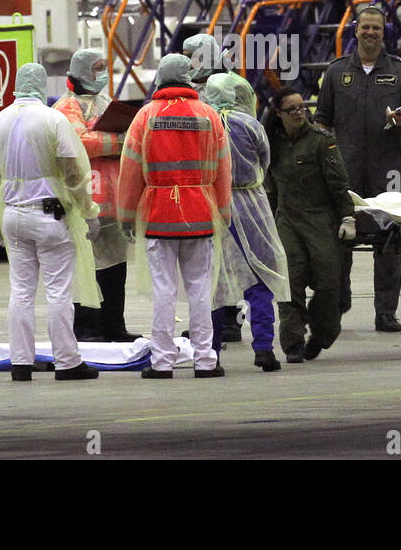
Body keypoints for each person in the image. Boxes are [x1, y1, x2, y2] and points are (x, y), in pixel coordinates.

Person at [0, 63, 103, 382]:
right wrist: (88, 211)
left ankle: (21, 363)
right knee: (58, 291)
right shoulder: (53, 120)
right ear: (41, 84)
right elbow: (73, 172)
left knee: (20, 290)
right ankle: (67, 362)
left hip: (12, 215)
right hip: (49, 215)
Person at [116, 54, 235, 379]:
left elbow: (129, 171)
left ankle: (162, 362)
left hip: (158, 215)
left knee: (164, 290)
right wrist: (222, 213)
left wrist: (126, 216)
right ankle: (206, 361)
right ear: (188, 78)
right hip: (201, 213)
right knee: (200, 289)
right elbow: (224, 171)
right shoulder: (209, 115)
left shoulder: (145, 117)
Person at [315, 5, 401, 333]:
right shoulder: (336, 73)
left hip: (387, 170)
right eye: (365, 27)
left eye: (376, 28)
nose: (370, 33)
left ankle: (386, 311)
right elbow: (321, 119)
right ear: (356, 30)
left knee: (389, 239)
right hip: (345, 171)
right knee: (341, 236)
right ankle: (339, 302)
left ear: (384, 31)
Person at [202, 72, 291, 372]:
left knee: (213, 281)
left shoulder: (204, 123)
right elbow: (265, 161)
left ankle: (211, 352)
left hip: (214, 204)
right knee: (260, 276)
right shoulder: (251, 124)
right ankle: (264, 348)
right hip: (252, 204)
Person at [53, 48, 140, 343]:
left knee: (115, 265)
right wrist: (120, 141)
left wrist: (113, 141)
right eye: (96, 68)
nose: (102, 73)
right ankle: (86, 327)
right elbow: (79, 143)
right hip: (83, 200)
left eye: (104, 66)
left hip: (113, 199)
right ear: (80, 71)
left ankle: (114, 324)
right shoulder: (66, 107)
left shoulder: (105, 103)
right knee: (85, 267)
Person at [266, 85, 356, 364]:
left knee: (329, 283)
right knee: (290, 280)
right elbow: (268, 185)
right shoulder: (272, 142)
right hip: (288, 219)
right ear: (279, 114)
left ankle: (322, 334)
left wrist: (348, 217)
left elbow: (339, 184)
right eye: (291, 109)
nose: (299, 113)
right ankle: (292, 342)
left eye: (302, 107)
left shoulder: (321, 141)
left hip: (320, 219)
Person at [183, 32, 244, 341]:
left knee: (228, 255)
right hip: (202, 183)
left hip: (229, 183)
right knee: (206, 258)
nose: (189, 62)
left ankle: (229, 318)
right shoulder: (193, 90)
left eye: (192, 56)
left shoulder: (231, 86)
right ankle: (210, 316)